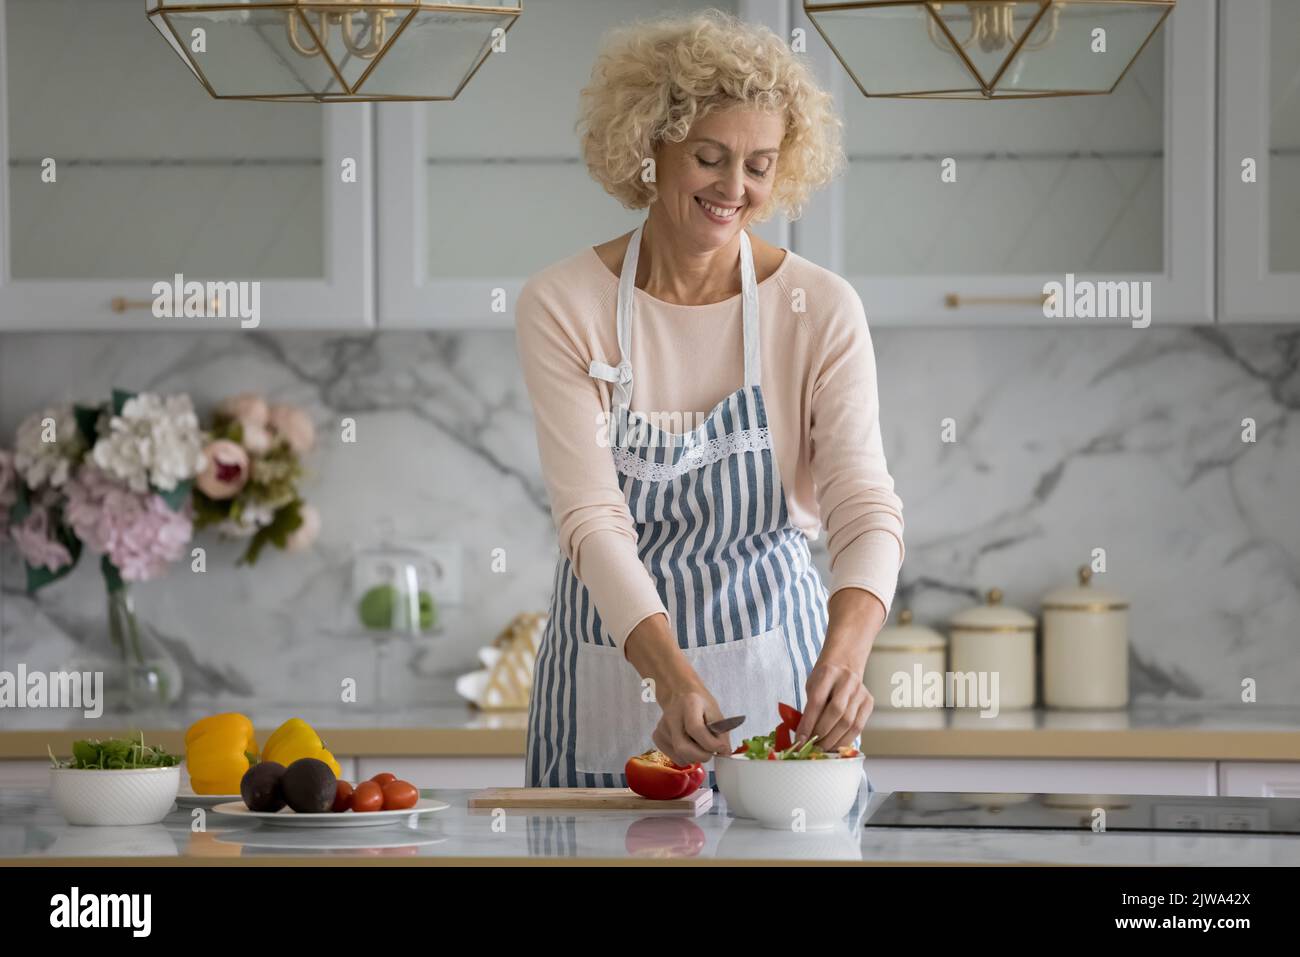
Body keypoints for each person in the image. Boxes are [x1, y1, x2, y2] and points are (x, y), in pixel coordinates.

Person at [516, 10, 904, 788]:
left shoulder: (820, 308)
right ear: (649, 145)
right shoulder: (563, 302)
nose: (735, 189)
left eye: (760, 165)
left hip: (777, 673)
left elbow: (862, 502)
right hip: (616, 675)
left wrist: (847, 651)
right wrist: (668, 673)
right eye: (709, 156)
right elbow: (593, 518)